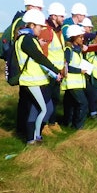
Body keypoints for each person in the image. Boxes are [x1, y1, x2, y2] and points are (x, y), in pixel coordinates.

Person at [15, 9, 63, 144]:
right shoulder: (26, 40)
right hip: (31, 81)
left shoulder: (30, 39)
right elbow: (39, 58)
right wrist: (55, 71)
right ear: (32, 25)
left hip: (38, 80)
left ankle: (35, 137)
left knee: (41, 109)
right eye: (39, 27)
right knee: (44, 109)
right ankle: (34, 138)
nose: (41, 29)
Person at [11, 0, 44, 139]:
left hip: (30, 75)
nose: (41, 11)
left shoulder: (22, 25)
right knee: (27, 105)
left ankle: (27, 133)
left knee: (30, 106)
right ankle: (26, 133)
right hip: (28, 75)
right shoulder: (22, 27)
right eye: (38, 8)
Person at [41, 2, 67, 134]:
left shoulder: (58, 31)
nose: (63, 19)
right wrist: (52, 71)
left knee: (55, 99)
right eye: (61, 16)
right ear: (54, 16)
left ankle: (52, 122)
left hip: (58, 72)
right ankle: (44, 125)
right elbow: (43, 54)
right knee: (47, 100)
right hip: (49, 73)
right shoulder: (46, 31)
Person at [62, 24, 89, 129]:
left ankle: (68, 123)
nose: (83, 39)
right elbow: (66, 67)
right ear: (74, 37)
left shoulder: (77, 50)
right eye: (81, 37)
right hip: (71, 82)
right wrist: (80, 71)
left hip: (76, 82)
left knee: (70, 105)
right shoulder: (68, 50)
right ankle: (78, 126)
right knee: (83, 103)